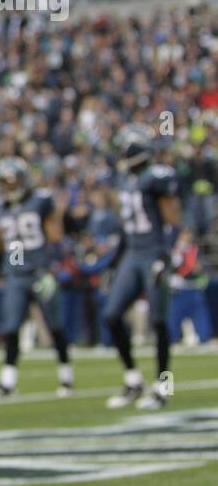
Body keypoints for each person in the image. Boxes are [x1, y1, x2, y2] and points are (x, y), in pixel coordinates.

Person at [0, 158, 75, 398]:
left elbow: (55, 236)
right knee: (11, 328)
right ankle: (8, 383)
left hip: (40, 272)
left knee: (55, 327)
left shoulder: (40, 200)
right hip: (14, 274)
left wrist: (52, 268)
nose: (10, 187)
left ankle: (66, 379)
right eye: (5, 182)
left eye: (13, 181)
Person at [102, 125, 183, 410]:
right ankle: (133, 380)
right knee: (111, 315)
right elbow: (127, 230)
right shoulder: (127, 182)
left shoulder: (156, 177)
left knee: (159, 322)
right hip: (133, 256)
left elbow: (174, 219)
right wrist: (113, 263)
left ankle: (163, 388)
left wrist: (168, 255)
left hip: (153, 255)